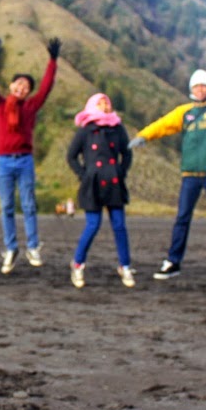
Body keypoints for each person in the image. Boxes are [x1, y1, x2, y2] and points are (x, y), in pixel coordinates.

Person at [128, 69, 206, 288]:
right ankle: (173, 261)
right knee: (182, 218)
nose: (200, 90)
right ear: (191, 89)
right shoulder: (185, 112)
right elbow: (163, 124)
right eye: (196, 86)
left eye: (204, 86)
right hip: (190, 174)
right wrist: (143, 136)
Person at [0, 36, 60, 274]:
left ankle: (33, 246)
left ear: (29, 92)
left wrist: (53, 61)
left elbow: (47, 86)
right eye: (18, 84)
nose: (21, 88)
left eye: (26, 86)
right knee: (7, 206)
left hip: (25, 160)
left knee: (29, 205)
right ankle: (10, 248)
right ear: (10, 86)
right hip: (4, 162)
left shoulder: (31, 107)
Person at [66, 93, 135, 288]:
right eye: (100, 102)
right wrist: (84, 174)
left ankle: (125, 266)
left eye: (107, 102)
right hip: (93, 184)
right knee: (93, 225)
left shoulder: (117, 128)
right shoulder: (85, 130)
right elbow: (71, 156)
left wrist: (121, 171)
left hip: (114, 182)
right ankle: (78, 264)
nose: (105, 105)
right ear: (92, 106)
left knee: (119, 226)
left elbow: (127, 153)